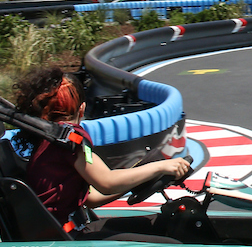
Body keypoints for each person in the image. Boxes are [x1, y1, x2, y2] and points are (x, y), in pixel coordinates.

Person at [12, 67, 190, 237]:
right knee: (169, 240)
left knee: (153, 225)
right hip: (66, 238)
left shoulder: (49, 139)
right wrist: (161, 167)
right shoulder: (69, 139)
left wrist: (136, 181)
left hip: (68, 229)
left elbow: (92, 197)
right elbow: (106, 182)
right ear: (82, 109)